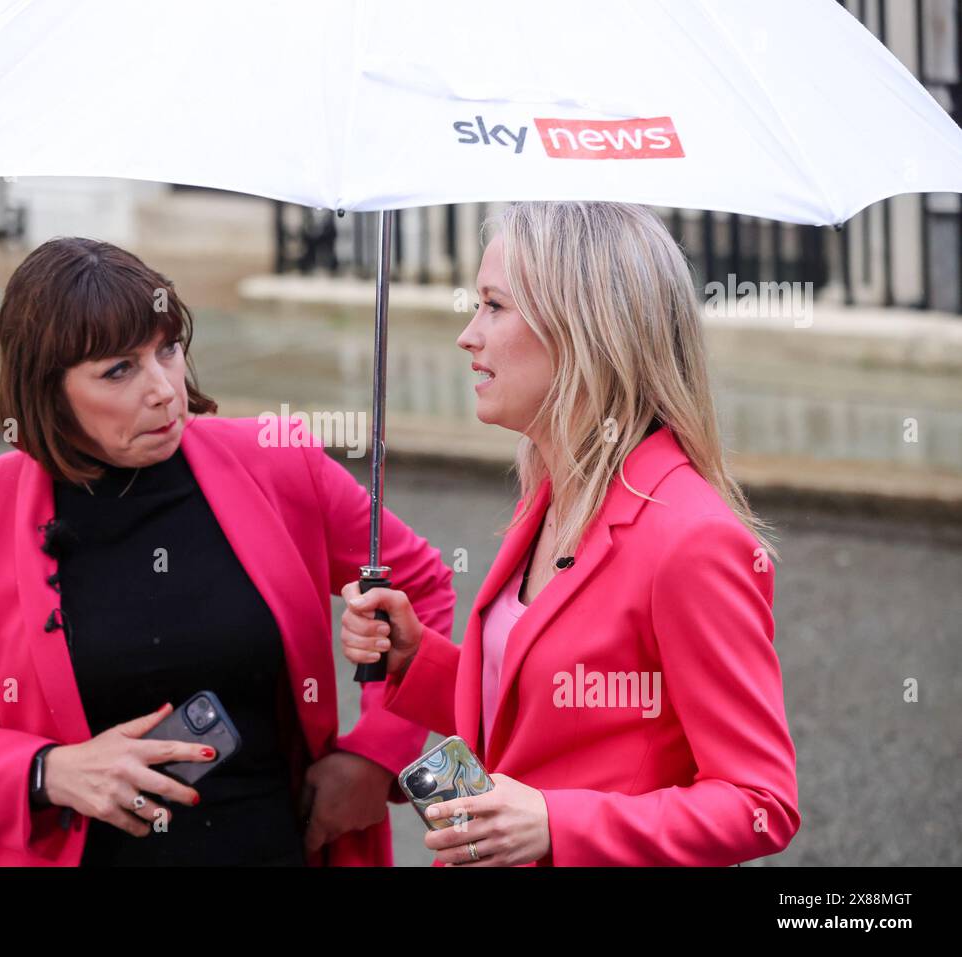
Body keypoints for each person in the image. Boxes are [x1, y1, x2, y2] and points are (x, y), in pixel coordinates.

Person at [0, 237, 455, 866]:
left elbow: (419, 584)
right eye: (118, 370)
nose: (163, 390)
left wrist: (374, 755)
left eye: (167, 349)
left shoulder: (279, 463)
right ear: (47, 391)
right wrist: (50, 771)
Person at [340, 201, 801, 866]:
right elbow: (547, 710)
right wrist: (416, 657)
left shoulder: (692, 539)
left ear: (583, 329)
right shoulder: (551, 489)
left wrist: (560, 823)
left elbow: (761, 802)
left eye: (494, 306)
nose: (468, 335)